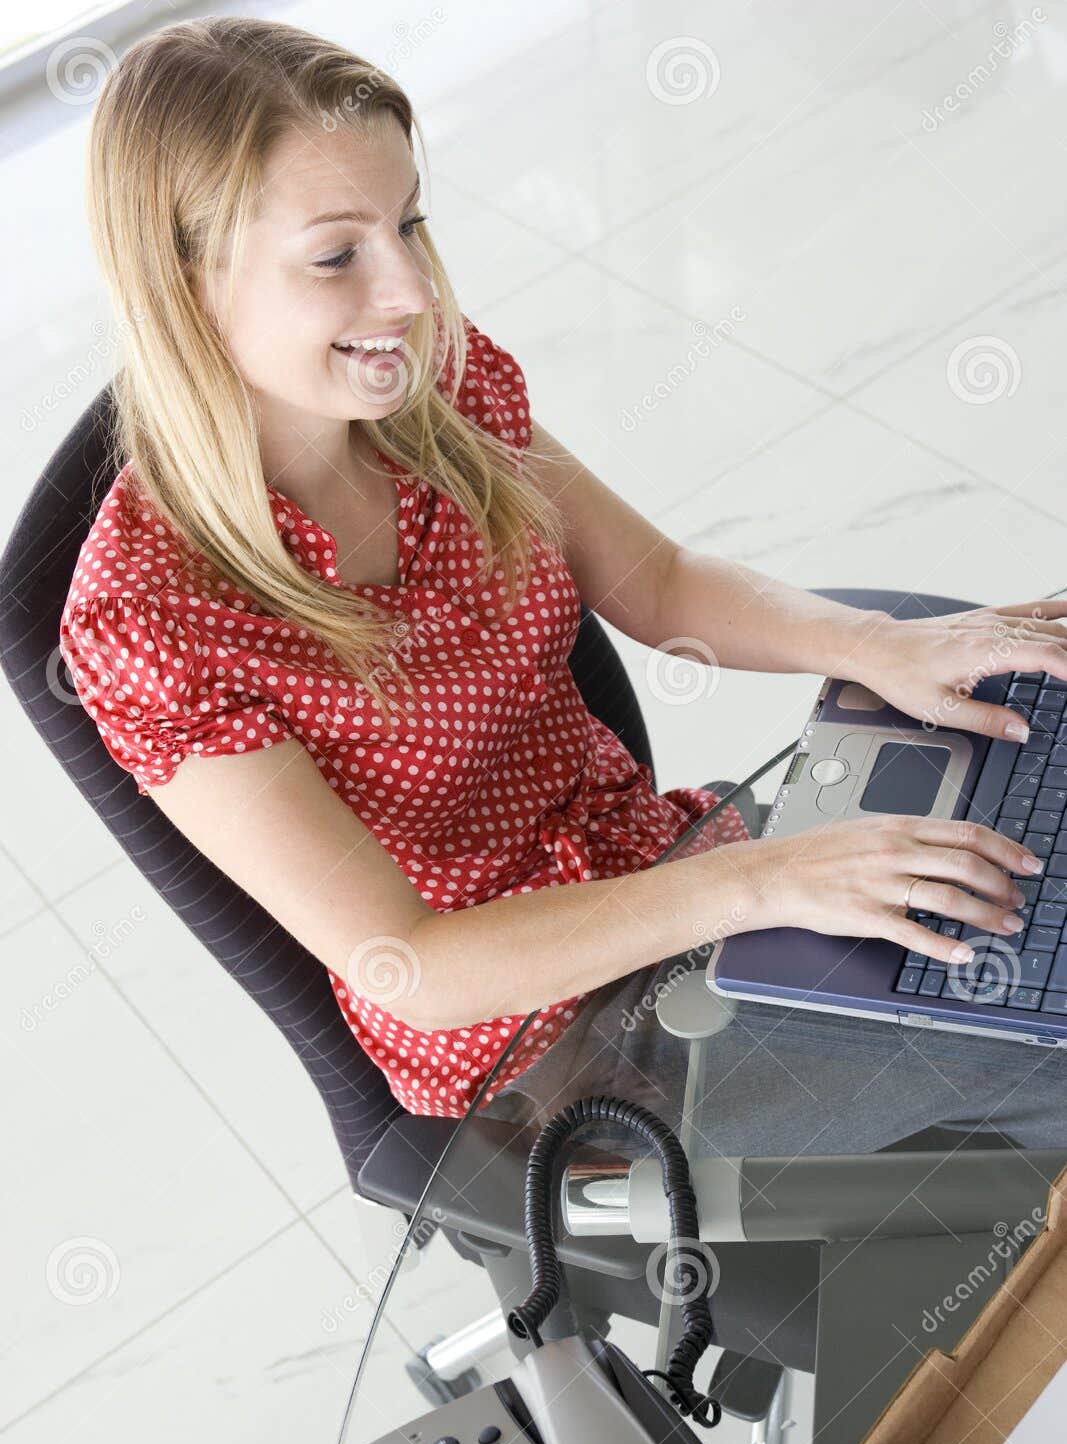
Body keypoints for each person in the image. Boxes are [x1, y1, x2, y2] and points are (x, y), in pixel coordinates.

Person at [61, 16, 1067, 1163]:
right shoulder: (152, 618)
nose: (406, 293)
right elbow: (417, 965)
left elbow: (659, 580)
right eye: (337, 256)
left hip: (675, 871)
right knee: (1040, 1036)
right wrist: (761, 881)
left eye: (409, 224)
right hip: (541, 1047)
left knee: (1031, 838)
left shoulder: (428, 393)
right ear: (182, 283)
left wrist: (877, 644)